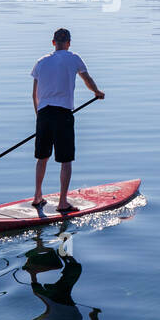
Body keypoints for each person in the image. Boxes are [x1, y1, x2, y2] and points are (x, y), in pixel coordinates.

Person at [31, 28, 104, 211]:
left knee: (42, 158)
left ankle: (37, 196)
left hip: (44, 114)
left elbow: (34, 94)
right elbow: (86, 79)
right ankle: (63, 202)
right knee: (65, 160)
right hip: (62, 114)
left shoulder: (41, 62)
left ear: (53, 42)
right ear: (69, 43)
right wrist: (96, 92)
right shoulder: (74, 58)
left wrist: (39, 118)